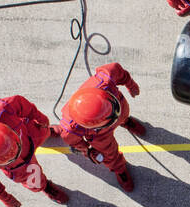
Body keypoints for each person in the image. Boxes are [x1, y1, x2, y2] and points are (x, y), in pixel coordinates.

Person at [55, 63, 145, 192]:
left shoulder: (105, 79)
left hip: (118, 107)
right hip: (100, 135)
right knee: (110, 154)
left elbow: (116, 69)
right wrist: (88, 151)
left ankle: (125, 121)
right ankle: (120, 169)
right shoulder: (70, 129)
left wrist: (130, 84)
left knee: (123, 115)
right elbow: (76, 142)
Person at [0, 95, 67, 207]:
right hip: (18, 164)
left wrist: (40, 118)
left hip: (26, 134)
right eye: (11, 156)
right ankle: (46, 187)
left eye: (16, 150)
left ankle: (48, 131)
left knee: (42, 131)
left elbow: (21, 104)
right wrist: (5, 198)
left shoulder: (2, 109)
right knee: (35, 182)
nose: (17, 154)